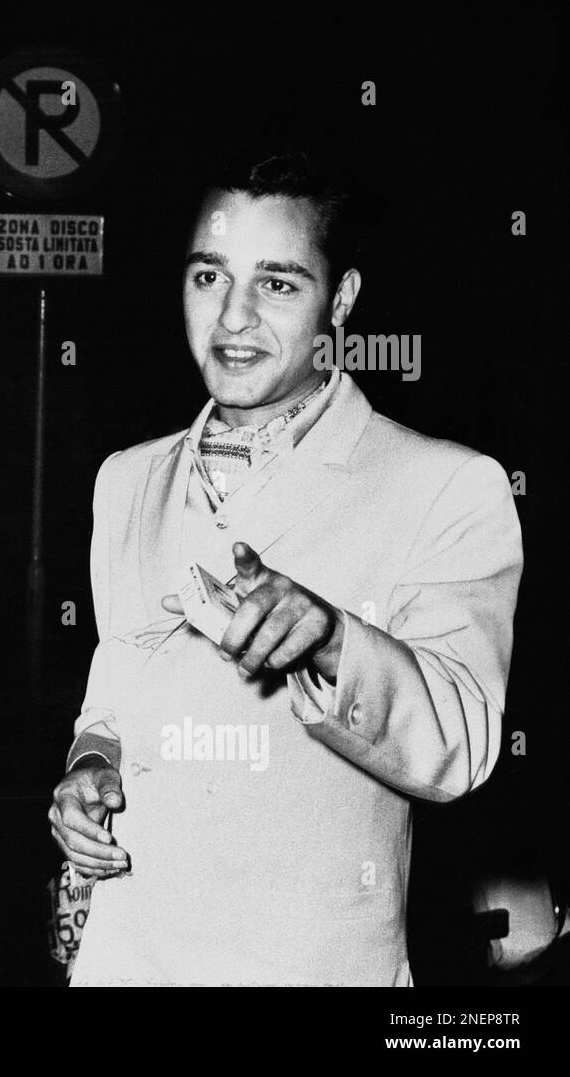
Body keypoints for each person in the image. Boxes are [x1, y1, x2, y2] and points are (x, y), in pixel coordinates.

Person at [48, 151, 522, 985]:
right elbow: (117, 686)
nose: (232, 317)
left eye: (276, 284)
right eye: (208, 277)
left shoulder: (444, 484)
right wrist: (92, 762)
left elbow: (464, 743)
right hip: (129, 960)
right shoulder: (127, 479)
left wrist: (335, 640)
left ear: (339, 302)